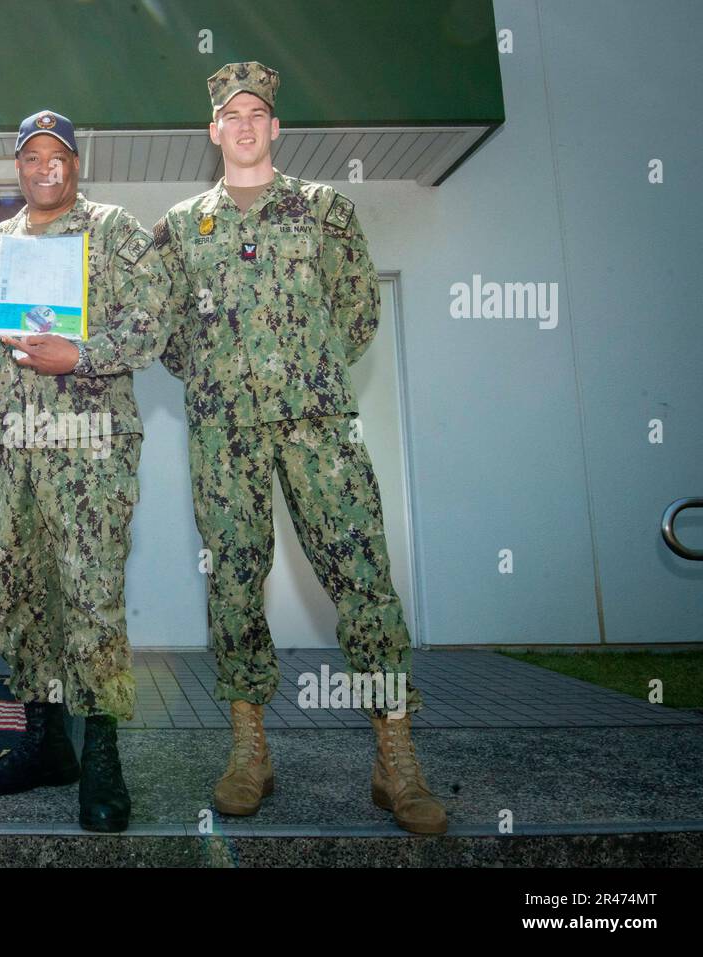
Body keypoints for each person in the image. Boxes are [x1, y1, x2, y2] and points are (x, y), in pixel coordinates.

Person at [154, 63, 447, 833]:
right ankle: (251, 749)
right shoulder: (183, 224)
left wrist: (303, 374)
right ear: (213, 130)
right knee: (234, 584)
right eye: (231, 114)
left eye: (258, 112)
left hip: (317, 424)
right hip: (225, 435)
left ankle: (396, 760)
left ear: (275, 127)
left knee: (363, 577)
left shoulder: (326, 209)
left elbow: (356, 313)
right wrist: (224, 379)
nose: (245, 124)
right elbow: (168, 334)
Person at [0, 110, 176, 832]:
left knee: (91, 601)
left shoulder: (113, 231)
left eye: (58, 155)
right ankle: (46, 745)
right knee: (19, 599)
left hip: (88, 451)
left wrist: (80, 352)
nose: (45, 166)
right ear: (18, 167)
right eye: (31, 156)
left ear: (76, 165)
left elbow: (155, 318)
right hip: (11, 453)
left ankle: (102, 757)